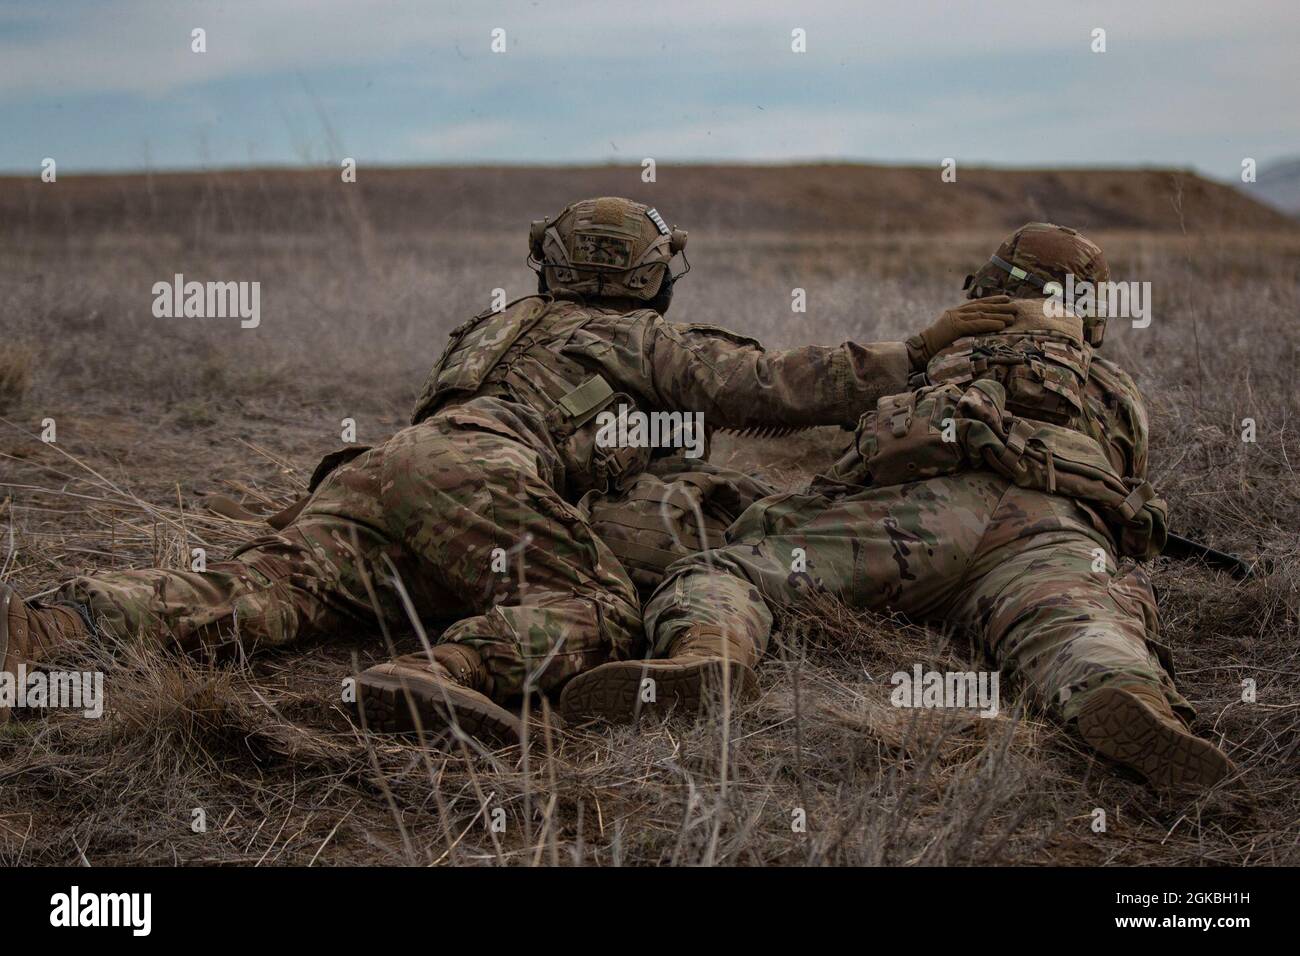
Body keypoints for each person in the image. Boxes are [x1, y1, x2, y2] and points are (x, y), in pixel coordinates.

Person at [1, 197, 1017, 746]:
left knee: (267, 596)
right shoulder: (635, 336)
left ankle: (61, 619)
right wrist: (920, 349)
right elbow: (777, 383)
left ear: (549, 265)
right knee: (595, 602)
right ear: (651, 278)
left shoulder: (494, 326)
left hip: (373, 470)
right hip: (480, 471)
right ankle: (438, 674)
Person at [561, 223, 1238, 792]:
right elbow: (1123, 481)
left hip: (912, 519)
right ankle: (1128, 696)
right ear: (1091, 313)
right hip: (1047, 525)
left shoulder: (951, 352)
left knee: (734, 572)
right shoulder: (1113, 385)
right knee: (1077, 622)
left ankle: (707, 652)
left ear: (990, 286)